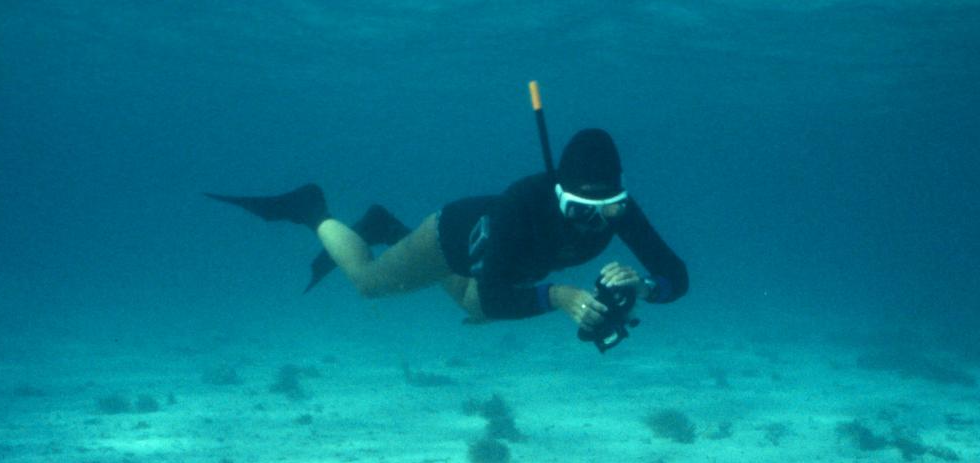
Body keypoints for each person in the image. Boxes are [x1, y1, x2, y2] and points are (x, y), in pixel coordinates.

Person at [207, 129, 689, 337]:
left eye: (607, 207)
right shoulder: (520, 205)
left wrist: (645, 288)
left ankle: (386, 226)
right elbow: (501, 300)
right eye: (582, 207)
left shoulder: (617, 210)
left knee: (471, 305)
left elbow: (676, 274)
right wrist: (561, 296)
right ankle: (312, 210)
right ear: (560, 192)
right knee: (370, 284)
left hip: (508, 264)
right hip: (452, 238)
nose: (597, 220)